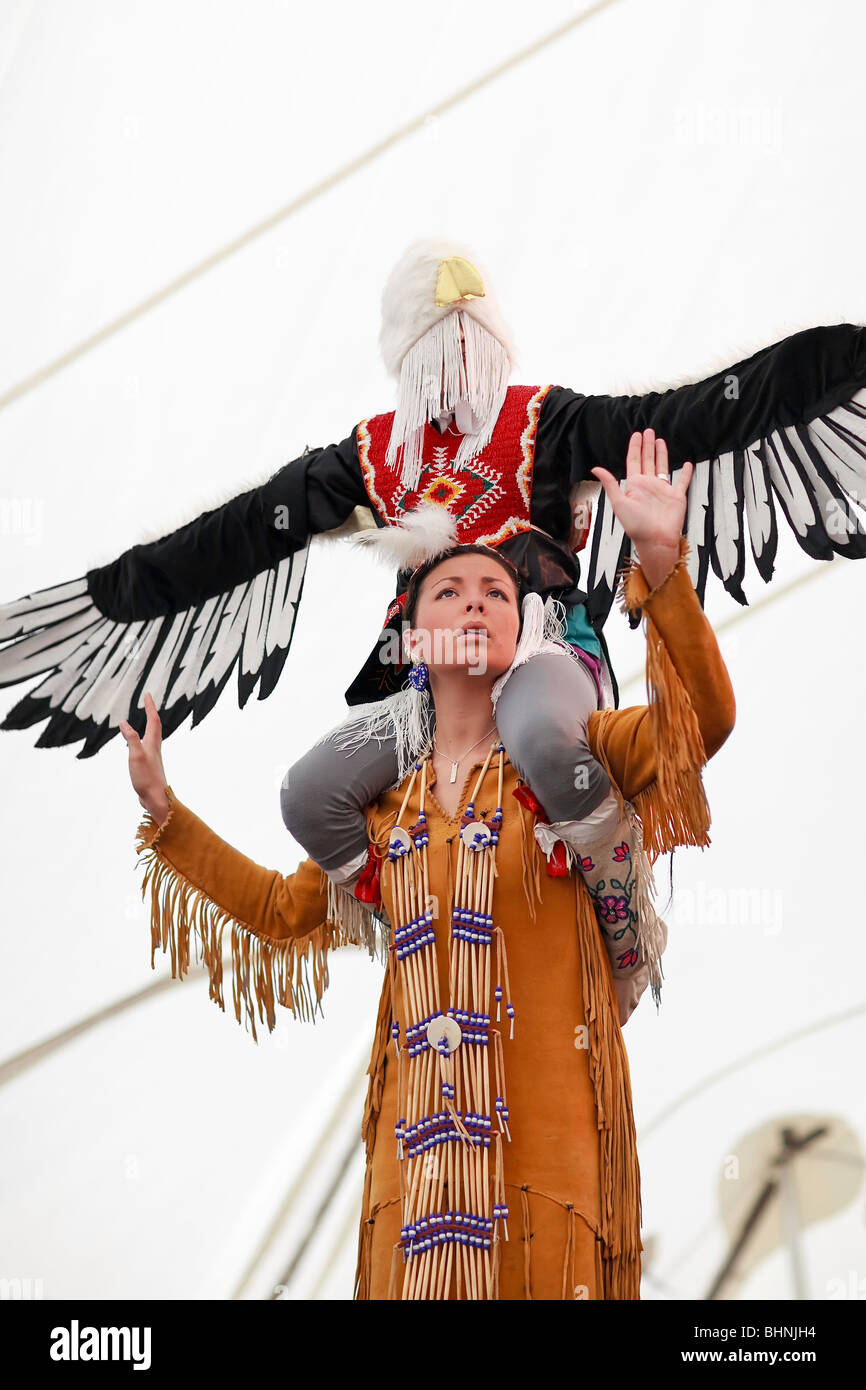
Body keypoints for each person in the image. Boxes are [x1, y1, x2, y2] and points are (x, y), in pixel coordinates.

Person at [121, 430, 735, 1299]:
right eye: (449, 591)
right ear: (411, 636)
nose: (477, 602)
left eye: (497, 591)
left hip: (552, 1175)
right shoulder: (386, 810)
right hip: (416, 1188)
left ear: (524, 626)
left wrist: (663, 568)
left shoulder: (575, 756)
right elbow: (277, 909)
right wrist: (167, 816)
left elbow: (699, 726)